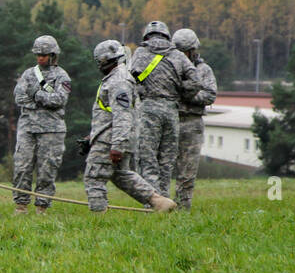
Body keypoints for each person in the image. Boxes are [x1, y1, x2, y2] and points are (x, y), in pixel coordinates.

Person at [83, 40, 176, 214]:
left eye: (102, 61)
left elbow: (123, 115)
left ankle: (97, 218)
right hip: (111, 135)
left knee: (94, 177)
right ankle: (159, 202)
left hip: (111, 139)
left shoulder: (119, 81)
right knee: (121, 175)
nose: (100, 65)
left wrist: (117, 145)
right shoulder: (117, 79)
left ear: (111, 59)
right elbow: (110, 113)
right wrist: (92, 136)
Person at [128, 20, 202, 196]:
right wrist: (179, 91)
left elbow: (129, 80)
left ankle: (153, 202)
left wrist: (141, 90)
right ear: (167, 36)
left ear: (146, 35)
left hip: (148, 110)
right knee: (166, 161)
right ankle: (165, 199)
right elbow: (196, 82)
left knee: (147, 159)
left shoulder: (139, 53)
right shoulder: (178, 55)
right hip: (171, 112)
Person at [12, 35, 71, 214]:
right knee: (22, 166)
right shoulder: (29, 74)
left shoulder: (62, 76)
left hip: (52, 130)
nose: (40, 58)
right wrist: (41, 101)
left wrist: (36, 96)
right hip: (27, 128)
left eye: (44, 55)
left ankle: (41, 207)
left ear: (53, 55)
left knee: (47, 168)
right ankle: (21, 206)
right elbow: (19, 97)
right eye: (37, 55)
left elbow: (60, 100)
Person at [170, 29, 217, 211]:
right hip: (170, 122)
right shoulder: (168, 68)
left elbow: (210, 94)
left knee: (187, 171)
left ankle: (182, 208)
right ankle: (160, 205)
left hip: (192, 123)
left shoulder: (203, 70)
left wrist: (187, 95)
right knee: (162, 167)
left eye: (185, 51)